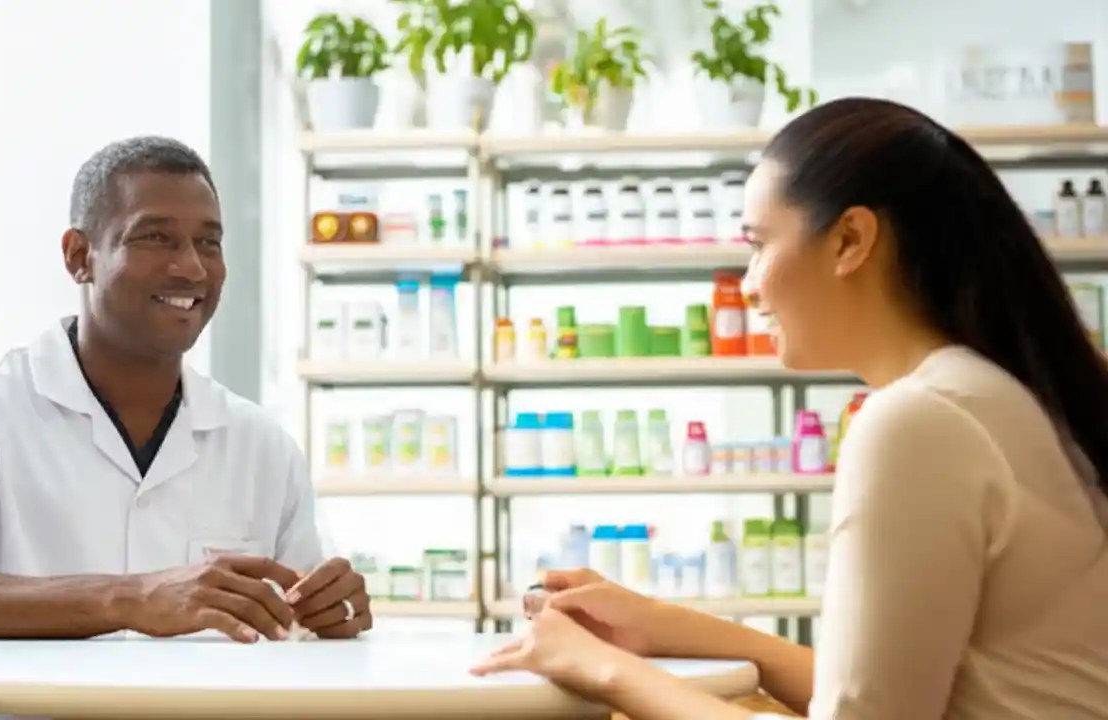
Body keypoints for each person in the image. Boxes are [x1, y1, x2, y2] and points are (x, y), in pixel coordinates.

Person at [471, 98, 1108, 719]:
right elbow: (890, 691)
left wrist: (605, 671)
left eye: (758, 244)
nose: (747, 285)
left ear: (850, 239)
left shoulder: (921, 421)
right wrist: (664, 627)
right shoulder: (990, 394)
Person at [0, 137, 371, 717]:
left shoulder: (260, 445)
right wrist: (130, 597)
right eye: (155, 237)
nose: (191, 266)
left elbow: (296, 640)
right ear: (79, 255)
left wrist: (331, 616)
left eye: (209, 242)